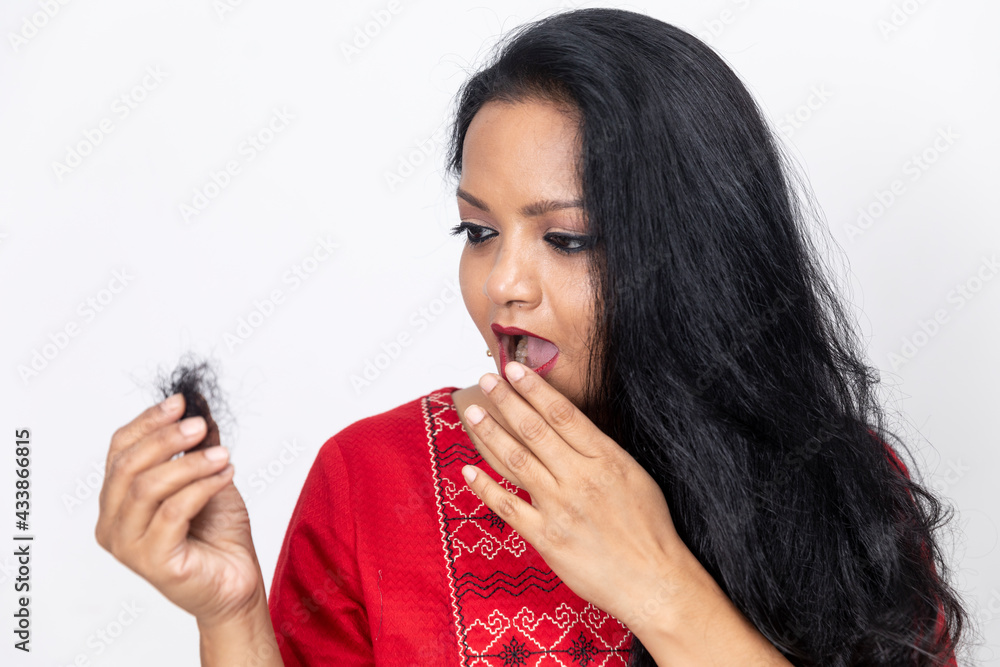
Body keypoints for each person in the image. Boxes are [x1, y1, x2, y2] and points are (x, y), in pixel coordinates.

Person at [94, 7, 968, 666]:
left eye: (567, 238)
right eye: (479, 231)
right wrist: (230, 616)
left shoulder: (835, 483)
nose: (503, 283)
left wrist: (656, 582)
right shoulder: (372, 478)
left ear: (696, 251)